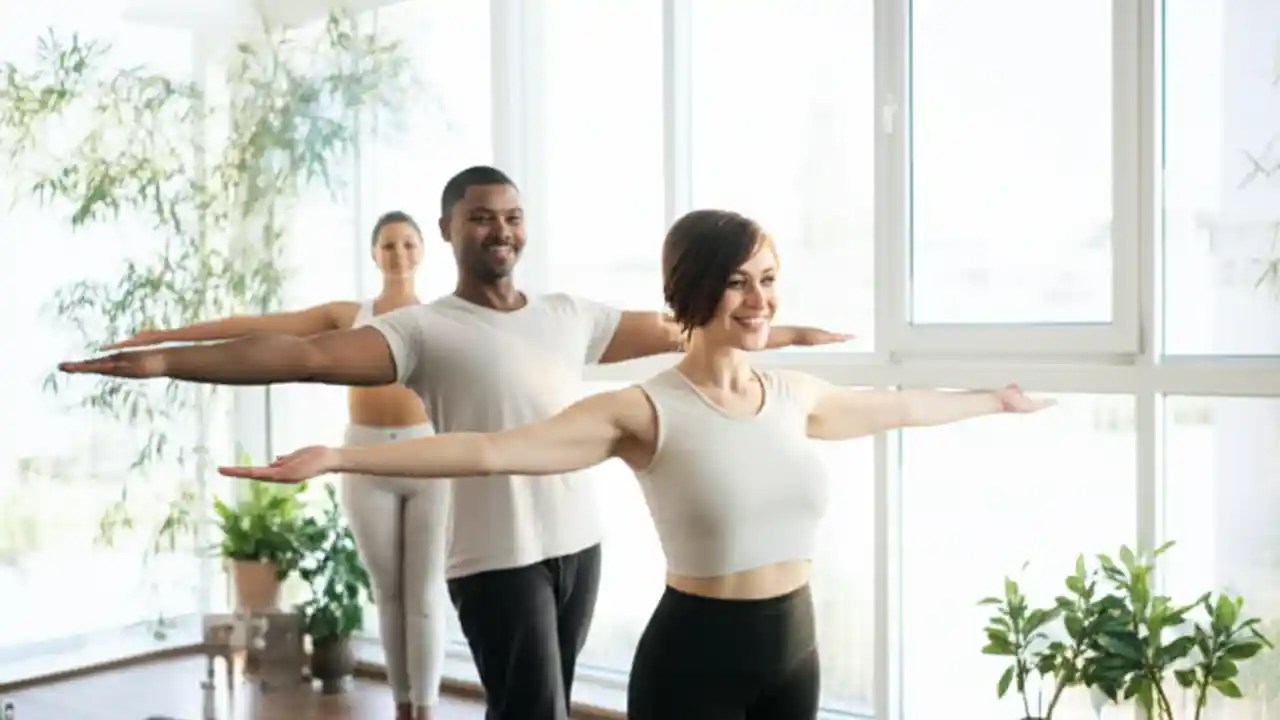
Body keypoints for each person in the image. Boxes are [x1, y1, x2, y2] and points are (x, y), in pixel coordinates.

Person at [59, 167, 849, 720]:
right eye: (480, 217)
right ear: (448, 230)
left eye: (511, 216)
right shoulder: (421, 328)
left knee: (539, 703)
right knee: (533, 708)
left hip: (578, 542)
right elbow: (298, 355)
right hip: (493, 553)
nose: (499, 230)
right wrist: (167, 361)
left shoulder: (572, 313)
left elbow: (696, 322)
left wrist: (787, 328)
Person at [207, 207, 1054, 718]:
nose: (760, 299)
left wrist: (991, 398)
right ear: (691, 291)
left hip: (796, 649)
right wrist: (338, 460)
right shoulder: (642, 410)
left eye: (769, 278)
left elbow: (903, 407)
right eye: (737, 282)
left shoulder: (797, 394)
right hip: (695, 663)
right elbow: (494, 449)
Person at [103, 211, 446, 720]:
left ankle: (427, 707)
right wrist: (167, 337)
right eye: (388, 245)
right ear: (374, 254)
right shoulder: (346, 313)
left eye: (408, 244)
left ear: (422, 251)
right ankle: (402, 708)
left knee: (423, 594)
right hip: (361, 455)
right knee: (388, 594)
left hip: (425, 454)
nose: (399, 255)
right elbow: (259, 328)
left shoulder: (441, 315)